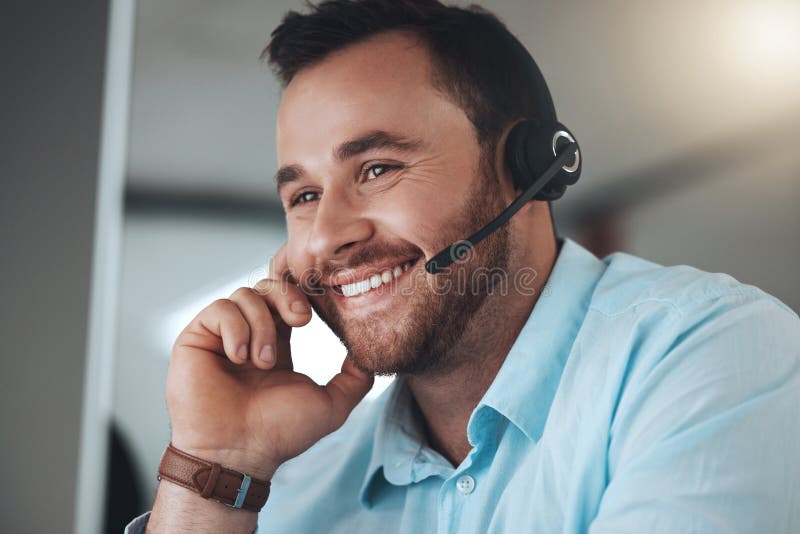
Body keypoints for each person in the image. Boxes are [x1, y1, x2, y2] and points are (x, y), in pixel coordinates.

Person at [127, 1, 800, 532]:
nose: (327, 235)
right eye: (303, 196)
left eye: (378, 168)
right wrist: (217, 471)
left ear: (526, 169)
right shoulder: (287, 485)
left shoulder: (713, 356)